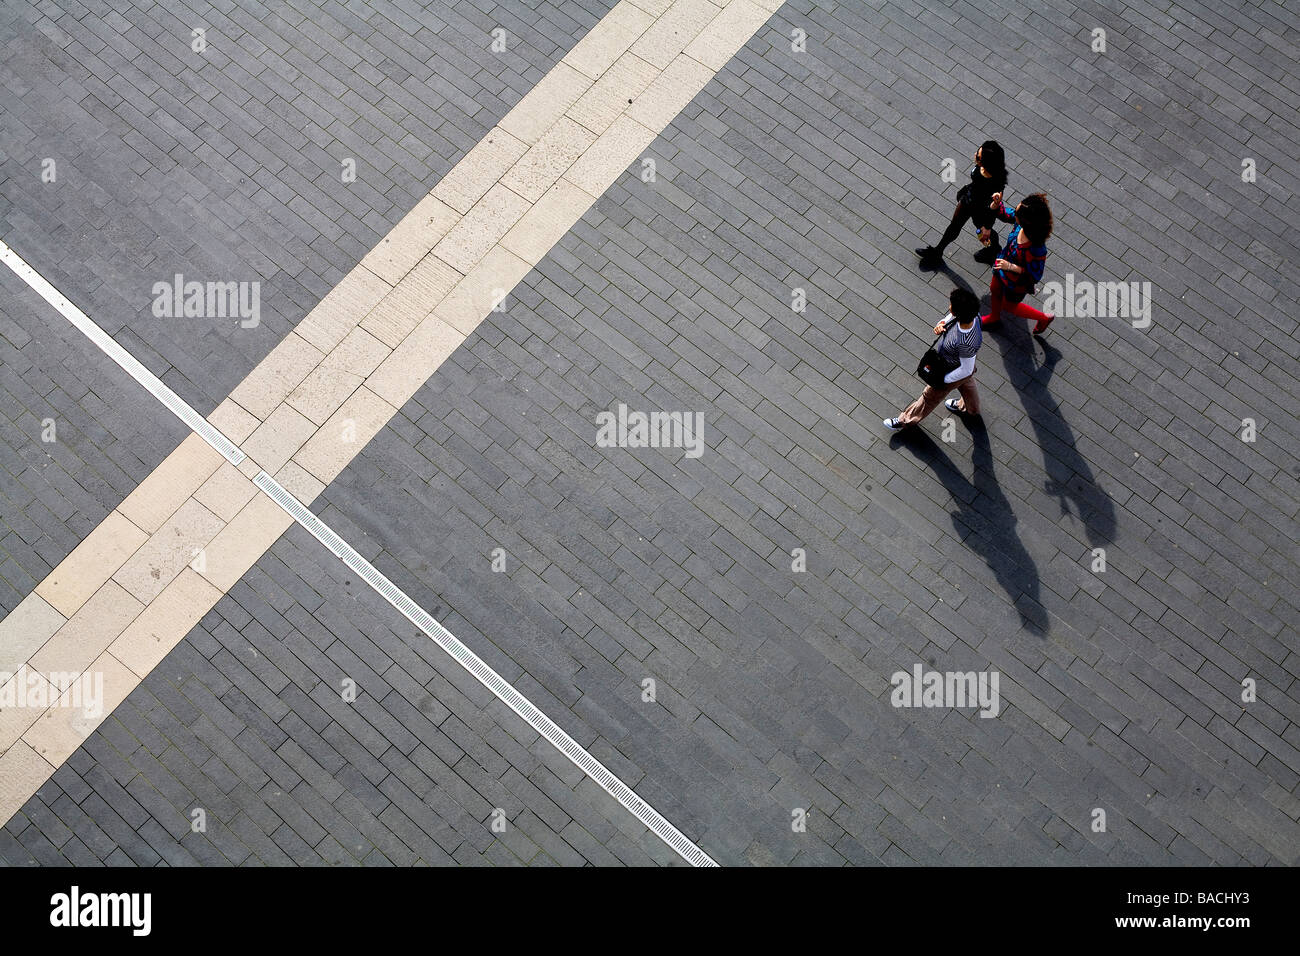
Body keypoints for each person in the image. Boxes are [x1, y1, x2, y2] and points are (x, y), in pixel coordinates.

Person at [884, 288, 983, 431]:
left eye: (951, 305)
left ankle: (906, 420)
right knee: (967, 382)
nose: (949, 307)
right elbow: (951, 317)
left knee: (929, 397)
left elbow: (965, 369)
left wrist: (944, 381)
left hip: (951, 370)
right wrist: (942, 323)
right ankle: (971, 409)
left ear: (958, 312)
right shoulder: (973, 315)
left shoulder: (966, 342)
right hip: (960, 363)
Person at [915, 142, 1007, 268]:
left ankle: (994, 249)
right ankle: (938, 252)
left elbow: (994, 208)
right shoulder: (983, 167)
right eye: (978, 151)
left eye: (978, 157)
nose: (975, 155)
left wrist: (988, 226)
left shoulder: (996, 185)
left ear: (987, 163)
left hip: (981, 210)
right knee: (954, 226)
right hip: (968, 200)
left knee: (983, 231)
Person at [980, 192, 1055, 334]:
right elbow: (1005, 214)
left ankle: (1043, 318)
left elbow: (1035, 275)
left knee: (1009, 306)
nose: (1015, 213)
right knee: (995, 289)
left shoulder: (1037, 249)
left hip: (1017, 283)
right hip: (1002, 266)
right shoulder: (1021, 223)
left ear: (1027, 222)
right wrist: (996, 204)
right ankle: (994, 317)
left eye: (1017, 213)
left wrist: (1011, 267)